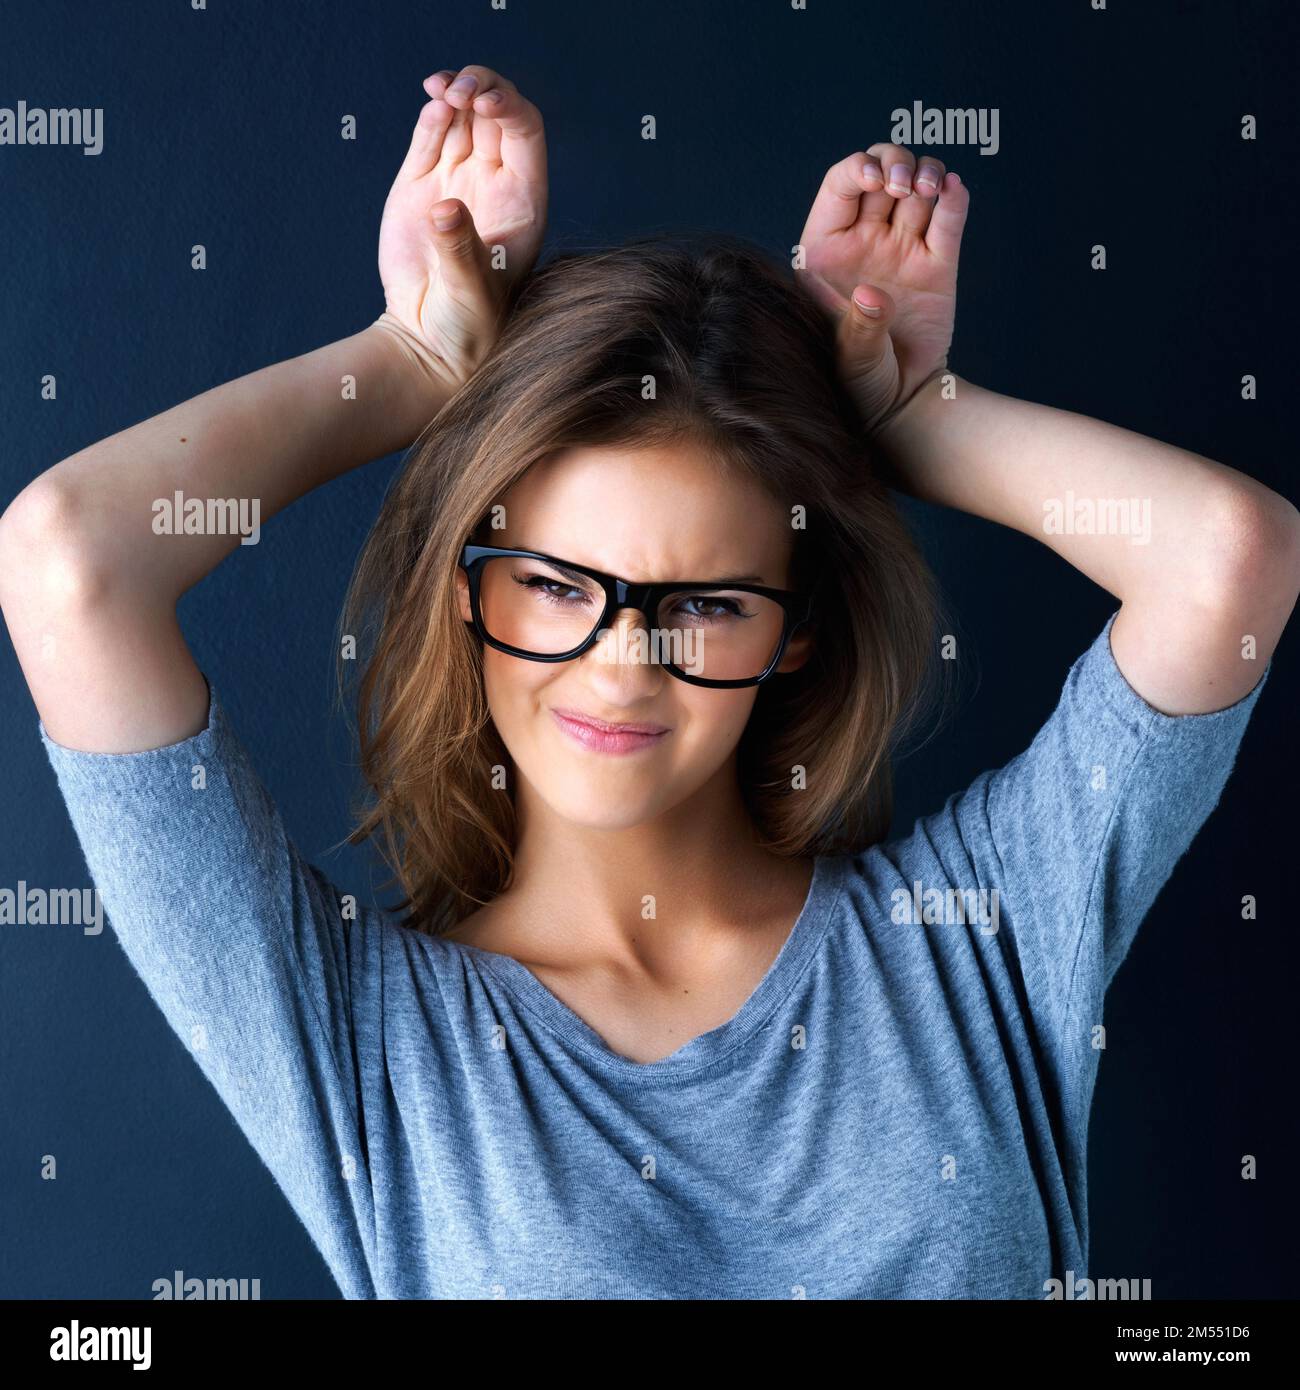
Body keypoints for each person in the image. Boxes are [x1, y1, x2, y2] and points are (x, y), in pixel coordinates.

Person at [2, 64, 1295, 1300]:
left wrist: (898, 416)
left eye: (706, 604)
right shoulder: (362, 1038)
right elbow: (71, 560)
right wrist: (413, 365)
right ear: (472, 589)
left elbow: (1226, 559)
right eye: (559, 585)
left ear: (790, 630)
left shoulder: (974, 935)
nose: (623, 661)